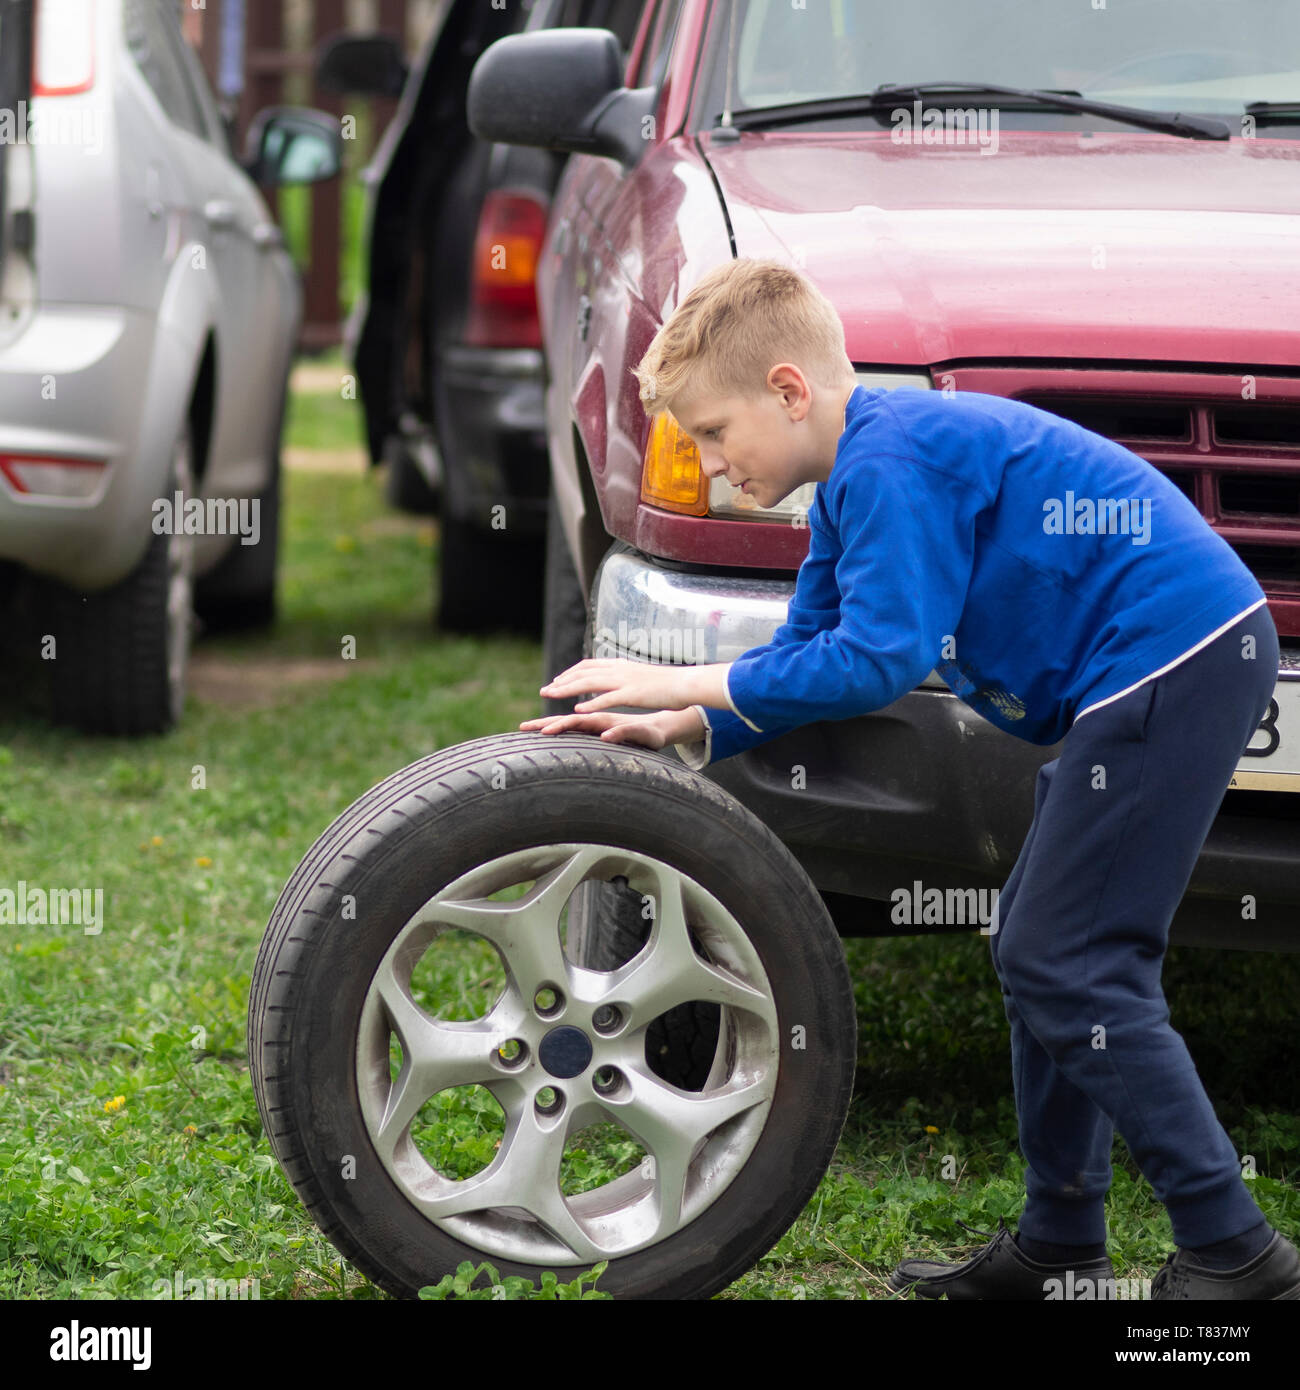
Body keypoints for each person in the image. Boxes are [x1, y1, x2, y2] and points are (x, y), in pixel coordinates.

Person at [518, 257, 1298, 1300]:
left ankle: (1234, 1251)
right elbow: (811, 655)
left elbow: (881, 658)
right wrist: (684, 720)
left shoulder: (889, 459)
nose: (707, 465)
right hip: (1148, 673)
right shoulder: (850, 482)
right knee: (1044, 950)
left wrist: (679, 669)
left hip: (1173, 659)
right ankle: (1061, 1247)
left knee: (1067, 959)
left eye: (714, 432)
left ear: (789, 391)